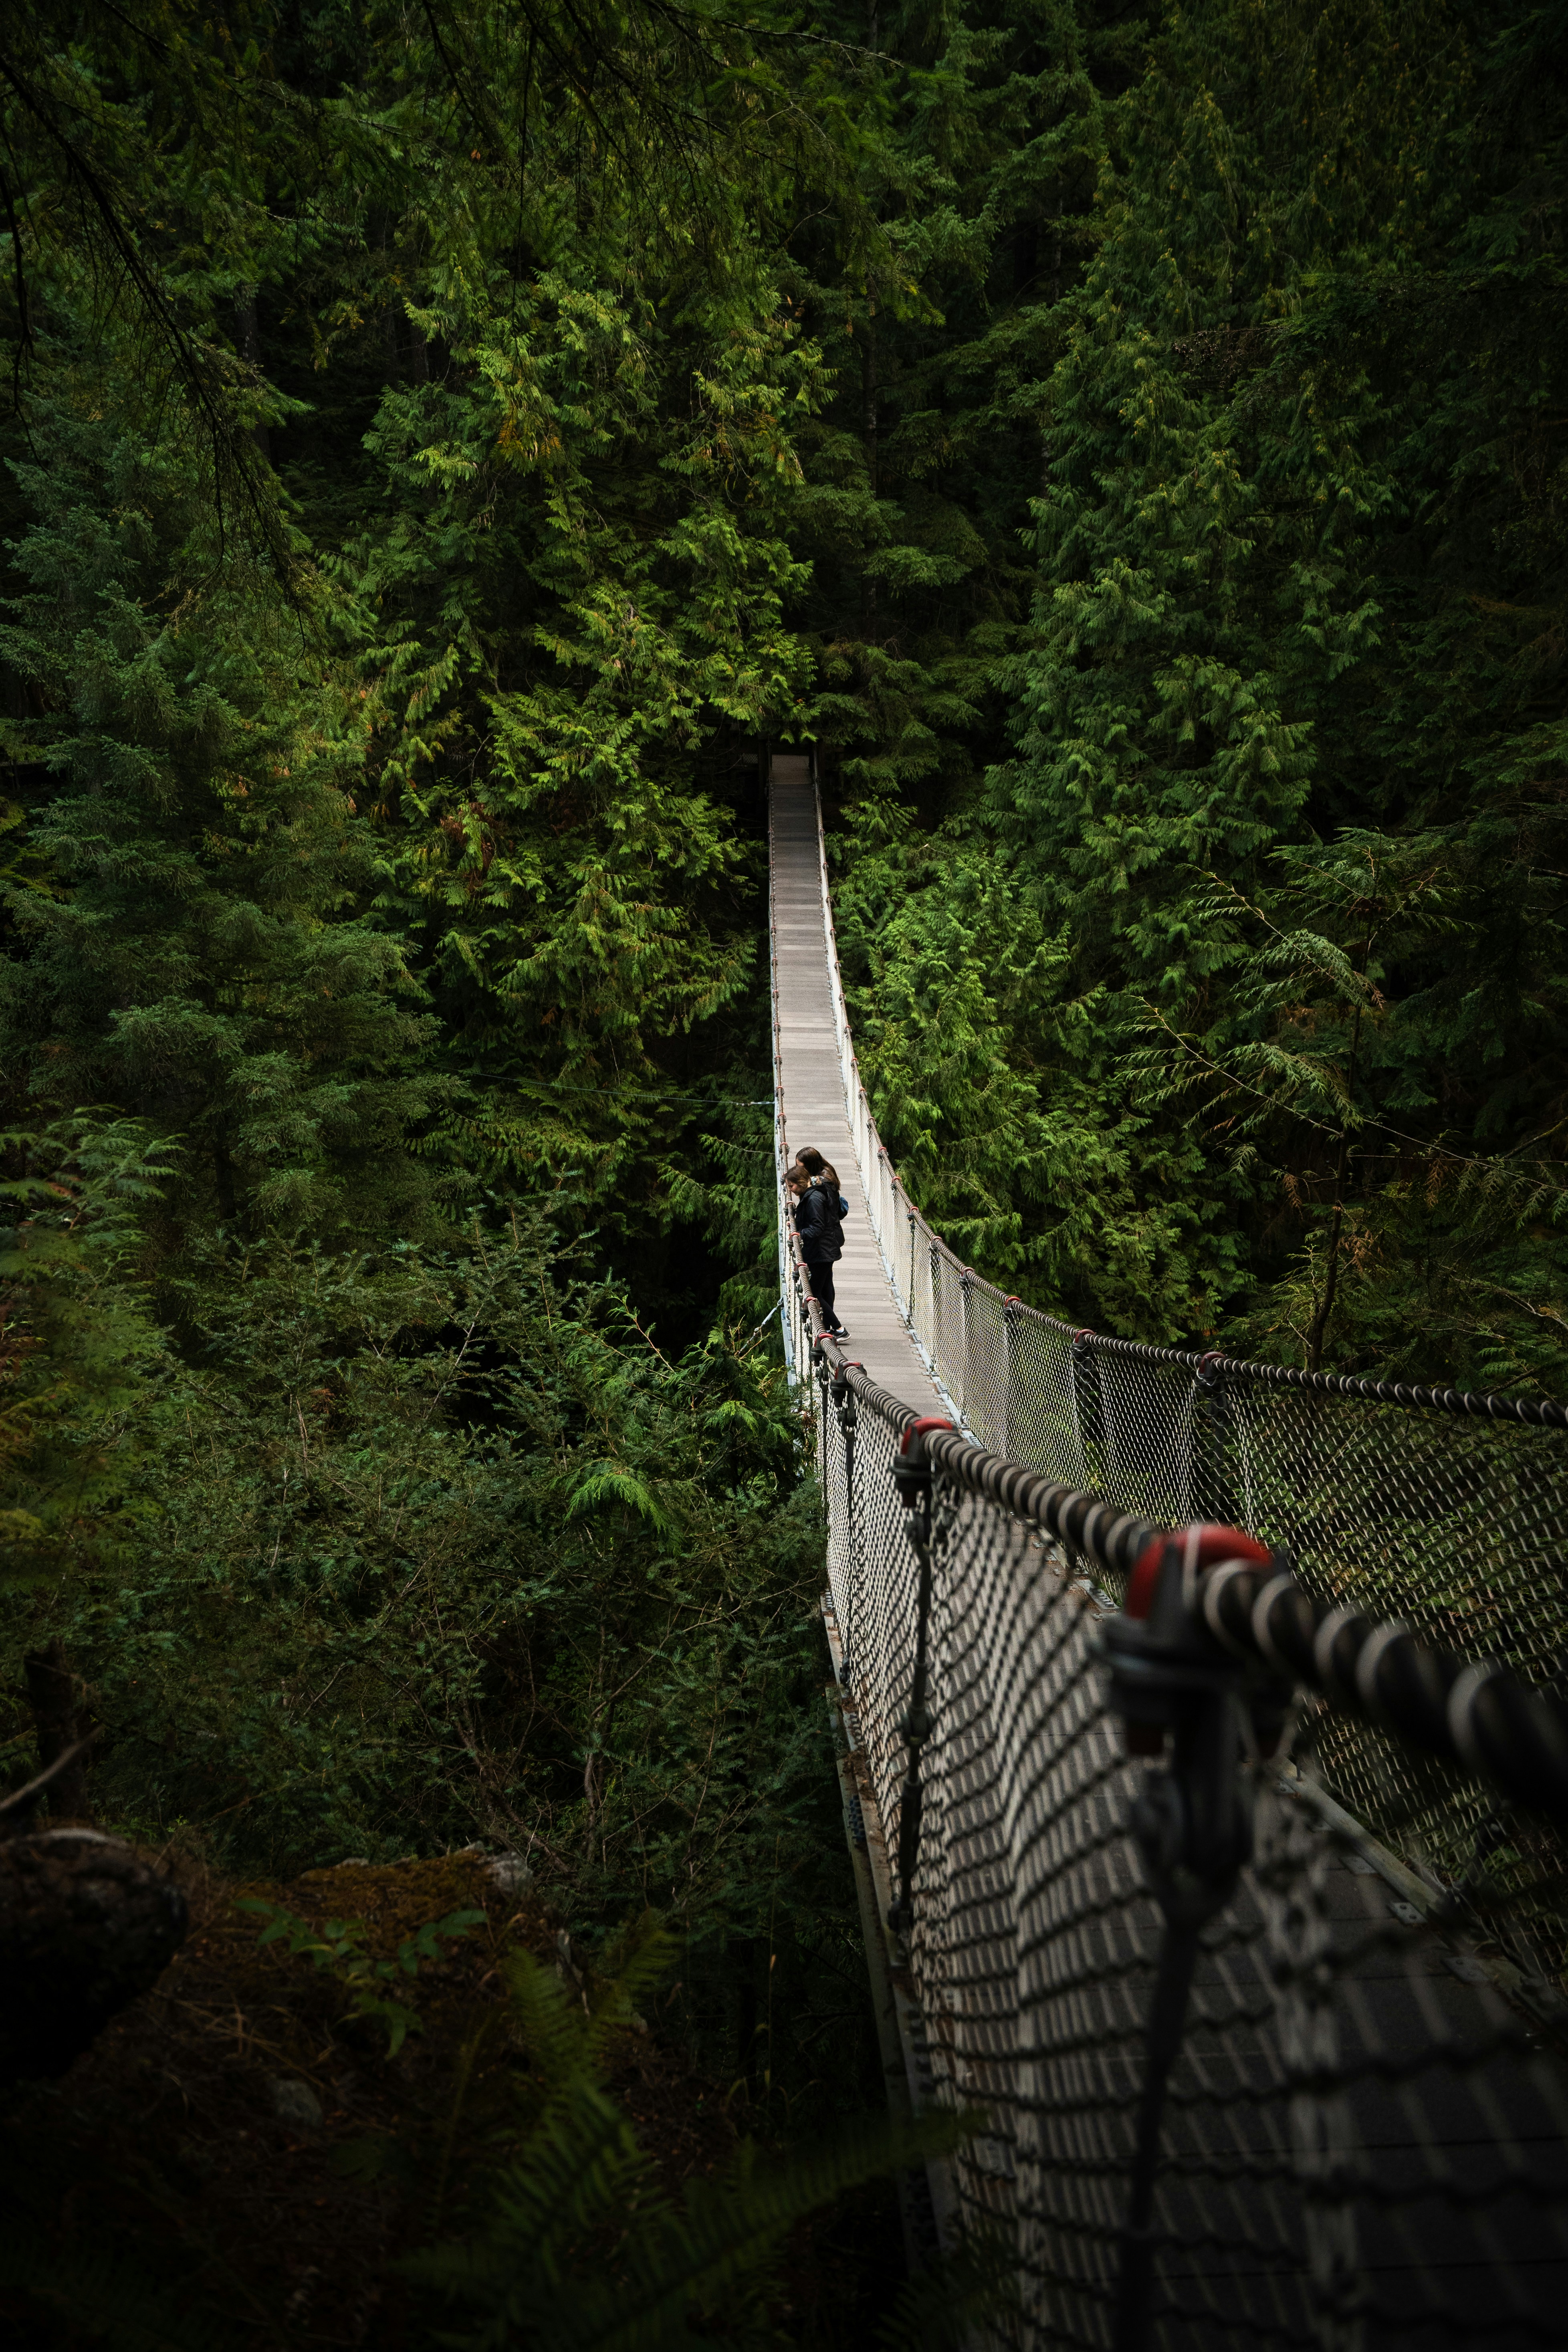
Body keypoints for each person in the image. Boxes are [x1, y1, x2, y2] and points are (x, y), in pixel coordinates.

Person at [789, 1153, 848, 1337]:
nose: (790, 1190)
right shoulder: (816, 1190)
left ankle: (838, 1329)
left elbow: (817, 1226)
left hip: (823, 1249)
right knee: (825, 1287)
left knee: (814, 1292)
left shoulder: (815, 1197)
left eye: (791, 1186)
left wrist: (799, 1234)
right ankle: (830, 1326)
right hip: (827, 1247)